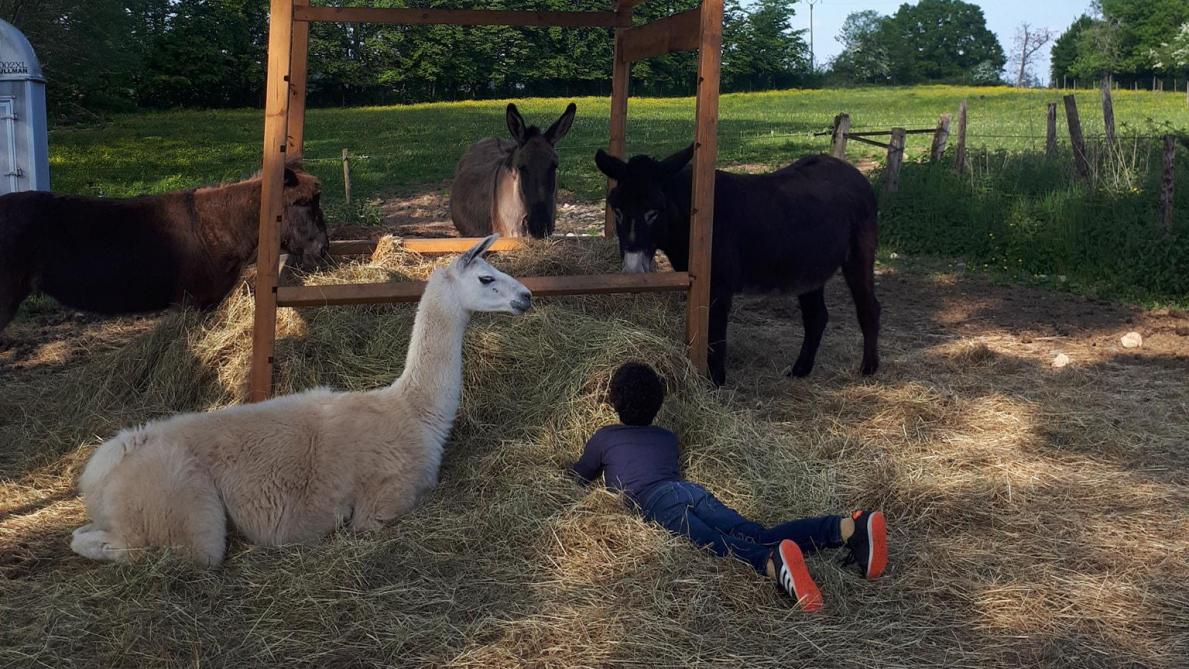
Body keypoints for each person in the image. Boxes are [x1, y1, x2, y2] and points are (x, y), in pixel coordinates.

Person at [569, 362, 888, 611]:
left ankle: (771, 563)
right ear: (658, 403)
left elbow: (580, 475)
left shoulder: (605, 437)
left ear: (614, 402)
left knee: (713, 543)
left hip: (654, 501)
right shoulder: (667, 438)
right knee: (754, 531)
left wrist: (561, 467)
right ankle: (848, 527)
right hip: (689, 490)